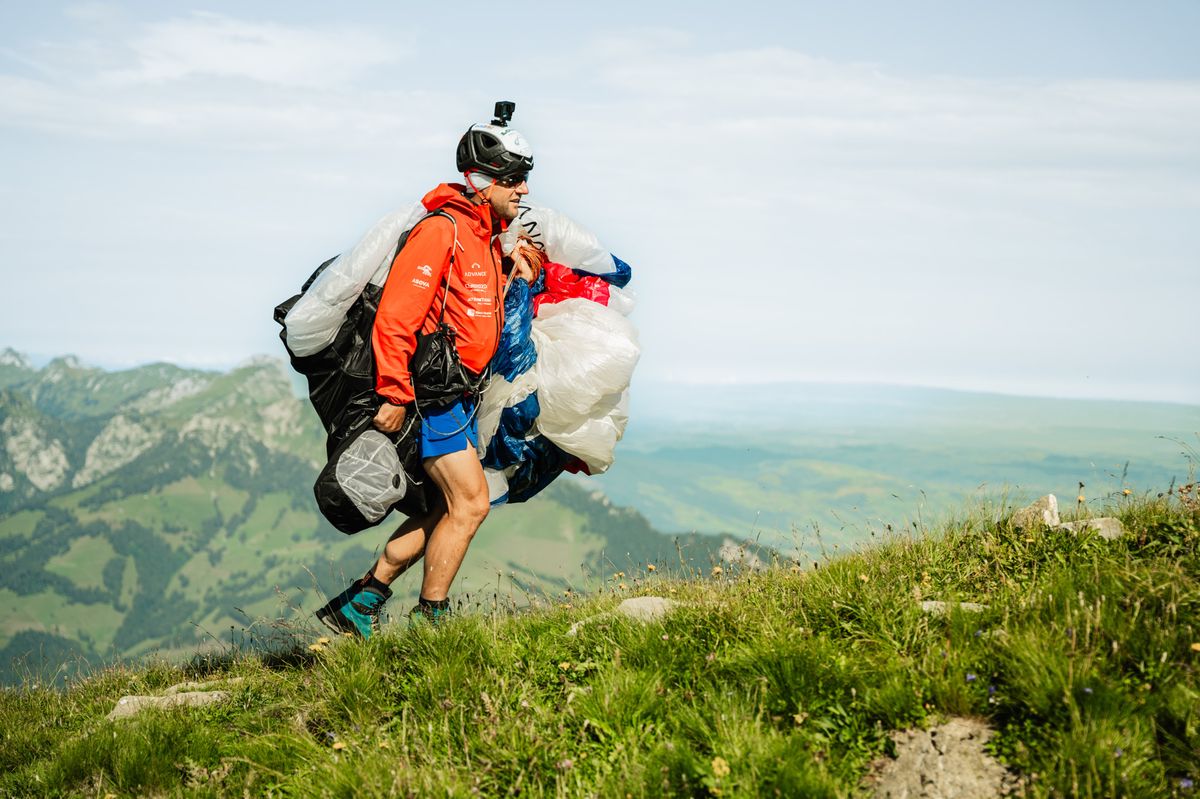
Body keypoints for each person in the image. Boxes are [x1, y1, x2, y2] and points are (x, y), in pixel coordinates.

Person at [315, 104, 533, 637]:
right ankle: (431, 619)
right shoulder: (442, 230)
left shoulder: (482, 237)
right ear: (482, 182)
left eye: (526, 178)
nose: (523, 189)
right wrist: (392, 391)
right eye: (513, 179)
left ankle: (361, 602)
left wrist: (514, 265)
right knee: (472, 502)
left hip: (460, 396)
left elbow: (471, 303)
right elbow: (395, 317)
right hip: (434, 397)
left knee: (443, 506)